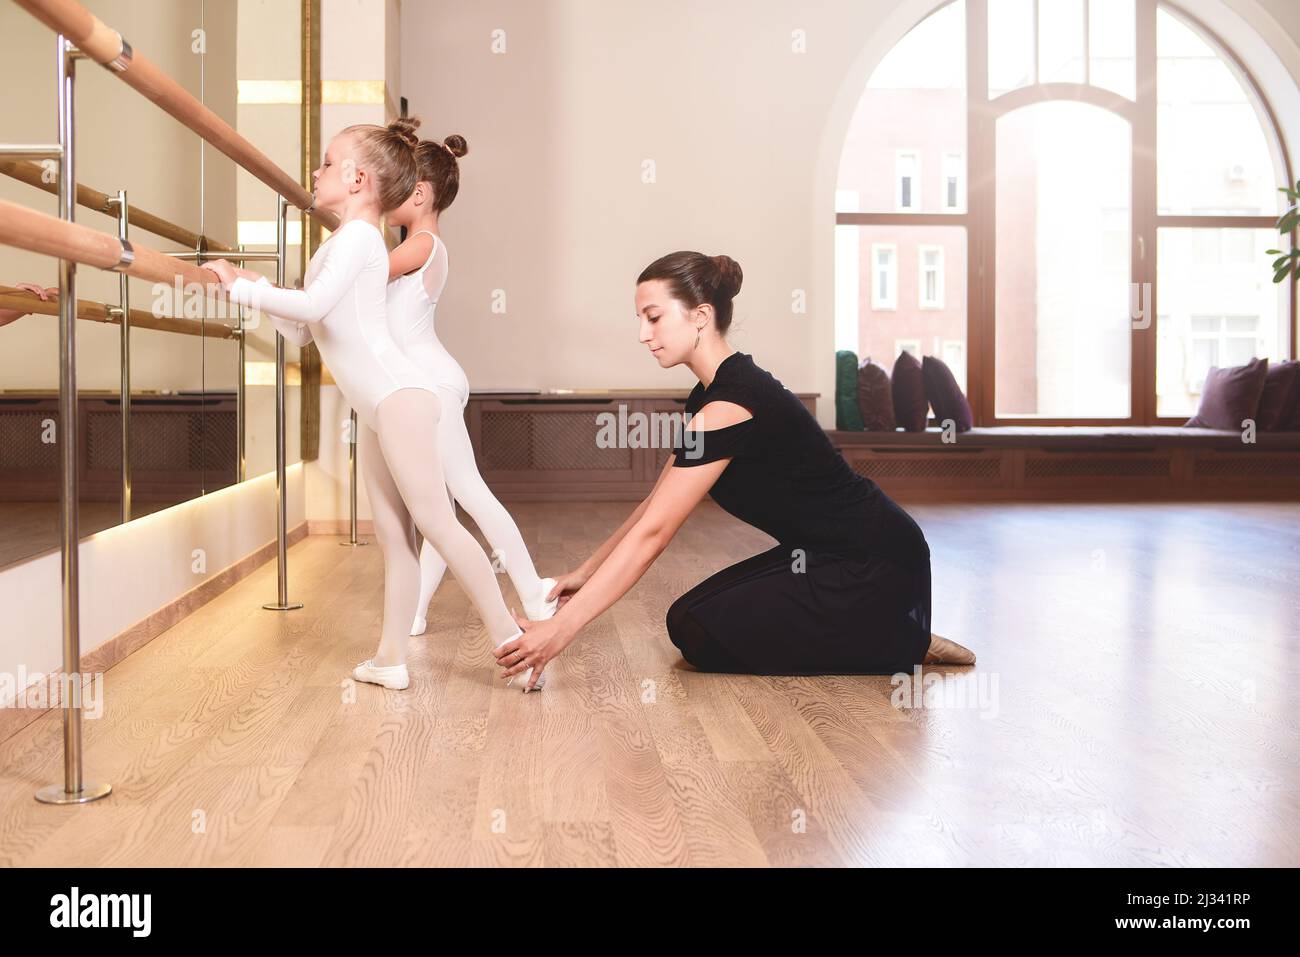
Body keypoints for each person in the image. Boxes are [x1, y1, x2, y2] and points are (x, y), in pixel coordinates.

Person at [494, 251, 975, 689]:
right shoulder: (709, 395)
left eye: (654, 317)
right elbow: (653, 505)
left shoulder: (732, 402)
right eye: (640, 319)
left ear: (701, 316)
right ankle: (883, 628)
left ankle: (891, 637)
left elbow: (656, 534)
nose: (643, 333)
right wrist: (585, 571)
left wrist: (560, 629)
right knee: (690, 617)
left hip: (875, 560)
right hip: (825, 553)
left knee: (699, 632)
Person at [211, 119, 538, 693]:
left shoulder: (362, 239)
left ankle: (515, 642)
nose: (315, 171)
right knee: (395, 538)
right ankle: (390, 658)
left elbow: (310, 304)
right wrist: (256, 288)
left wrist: (241, 285)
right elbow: (304, 329)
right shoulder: (340, 245)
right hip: (380, 408)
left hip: (401, 400)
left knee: (438, 524)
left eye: (326, 161)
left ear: (357, 177)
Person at [382, 126, 556, 640]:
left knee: (467, 493)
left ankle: (532, 592)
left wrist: (355, 221)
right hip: (428, 381)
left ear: (419, 195)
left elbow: (362, 276)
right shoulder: (418, 244)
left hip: (433, 384)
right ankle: (414, 611)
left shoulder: (424, 245)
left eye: (394, 187)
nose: (386, 197)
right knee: (438, 505)